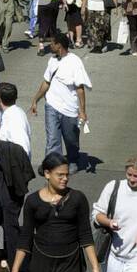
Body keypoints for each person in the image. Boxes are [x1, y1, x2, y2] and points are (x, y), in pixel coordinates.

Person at [0, 81, 34, 262]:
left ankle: (15, 265)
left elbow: (21, 150)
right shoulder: (3, 111)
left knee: (10, 221)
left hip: (12, 176)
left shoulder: (16, 118)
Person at [30, 33, 91, 174]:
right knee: (52, 139)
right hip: (51, 105)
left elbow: (80, 89)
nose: (50, 46)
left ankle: (73, 159)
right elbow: (46, 82)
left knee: (71, 139)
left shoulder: (75, 62)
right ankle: (52, 166)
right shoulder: (52, 61)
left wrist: (82, 111)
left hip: (69, 109)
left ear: (59, 45)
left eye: (52, 43)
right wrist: (35, 100)